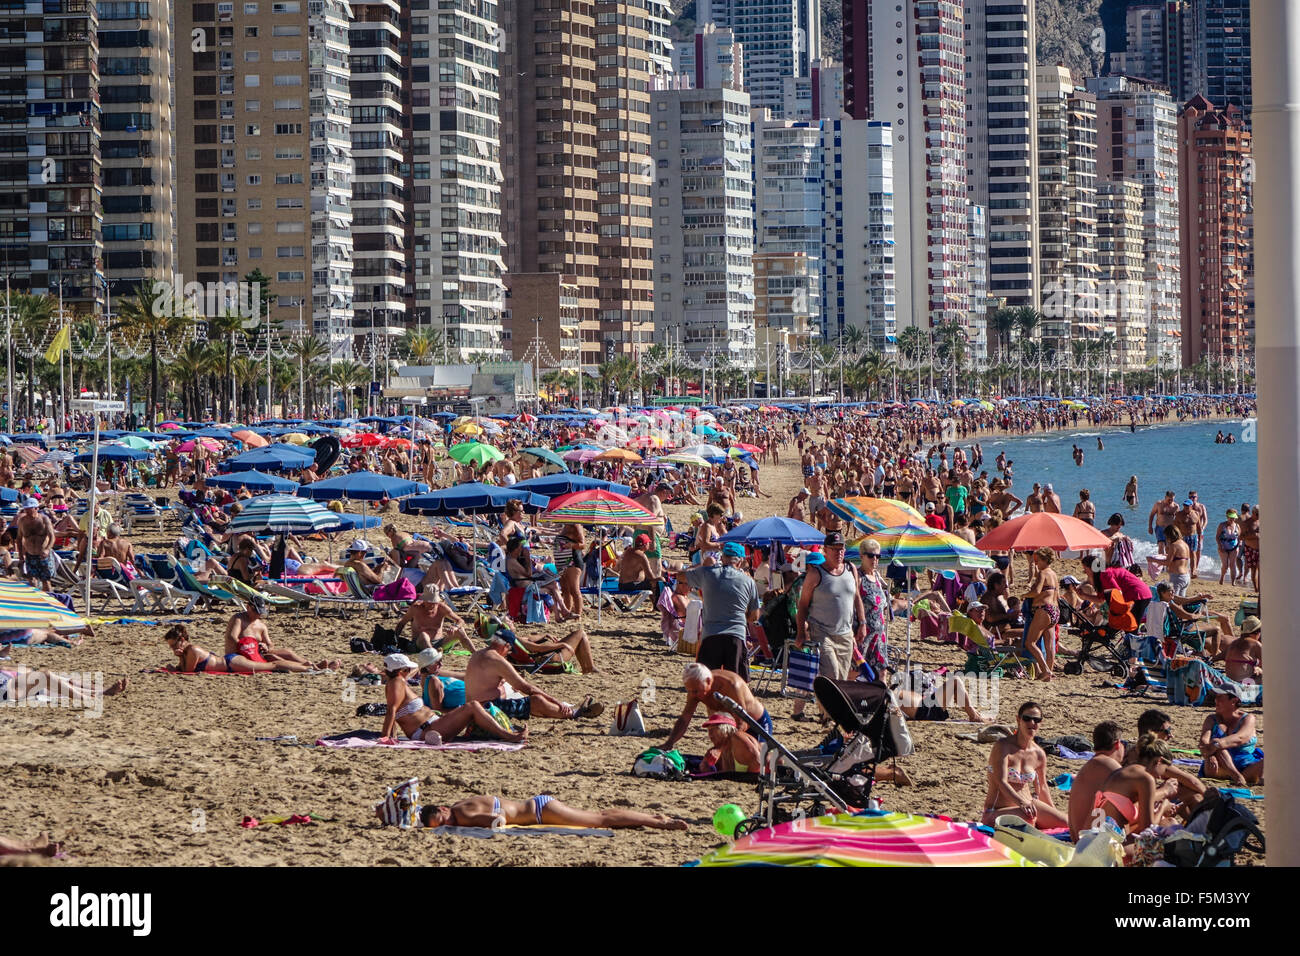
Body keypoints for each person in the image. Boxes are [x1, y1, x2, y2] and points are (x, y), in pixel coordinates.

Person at [792, 531, 865, 720]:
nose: (839, 552)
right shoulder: (816, 574)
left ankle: (827, 715)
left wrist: (862, 623)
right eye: (834, 549)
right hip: (822, 631)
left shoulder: (851, 569)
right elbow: (802, 605)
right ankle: (831, 715)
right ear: (825, 550)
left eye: (841, 549)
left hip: (846, 633)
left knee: (841, 677)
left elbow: (857, 597)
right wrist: (801, 632)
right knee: (831, 673)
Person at [377, 654, 527, 745]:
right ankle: (508, 736)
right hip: (426, 729)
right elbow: (392, 710)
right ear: (401, 670)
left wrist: (393, 735)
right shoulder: (397, 682)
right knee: (473, 706)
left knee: (475, 707)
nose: (410, 671)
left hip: (430, 725)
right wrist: (385, 737)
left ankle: (508, 731)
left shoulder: (397, 683)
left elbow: (395, 711)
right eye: (407, 669)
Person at [461, 630, 601, 722]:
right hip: (487, 709)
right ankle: (572, 713)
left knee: (527, 699)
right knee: (536, 701)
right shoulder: (497, 660)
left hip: (472, 708)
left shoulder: (477, 655)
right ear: (506, 646)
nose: (508, 654)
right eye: (509, 651)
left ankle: (568, 709)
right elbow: (527, 688)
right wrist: (557, 701)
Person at [681, 541, 759, 682]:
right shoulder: (749, 582)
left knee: (706, 684)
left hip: (711, 636)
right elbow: (754, 616)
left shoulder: (708, 574)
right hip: (735, 636)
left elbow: (681, 576)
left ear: (722, 558)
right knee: (736, 684)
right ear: (741, 561)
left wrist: (703, 568)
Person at [980, 701, 1067, 827]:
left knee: (1065, 822)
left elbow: (1042, 787)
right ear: (1018, 720)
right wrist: (1022, 803)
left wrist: (1053, 812)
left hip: (1027, 807)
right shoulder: (1003, 747)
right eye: (1027, 719)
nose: (1032, 723)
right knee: (1028, 818)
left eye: (1036, 720)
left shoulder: (1039, 754)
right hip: (996, 812)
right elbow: (1001, 781)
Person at [1082, 734, 1180, 836]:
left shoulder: (1126, 771)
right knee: (1170, 826)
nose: (1160, 777)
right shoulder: (1146, 778)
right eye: (1164, 770)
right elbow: (1147, 830)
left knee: (1167, 823)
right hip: (1103, 845)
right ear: (1159, 761)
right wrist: (1163, 807)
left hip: (1088, 839)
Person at [661, 661, 773, 751]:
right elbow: (685, 718)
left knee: (759, 758)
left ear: (708, 681)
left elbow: (742, 722)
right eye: (689, 691)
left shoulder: (730, 685)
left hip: (757, 723)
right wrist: (669, 743)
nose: (693, 695)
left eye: (696, 691)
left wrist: (721, 748)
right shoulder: (695, 688)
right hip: (731, 729)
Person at [417, 794, 686, 831]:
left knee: (600, 820)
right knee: (598, 814)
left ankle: (660, 823)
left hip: (541, 814)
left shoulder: (463, 817)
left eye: (444, 821)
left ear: (443, 809)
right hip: (539, 804)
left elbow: (497, 820)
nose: (448, 825)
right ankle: (653, 818)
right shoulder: (460, 804)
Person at [223, 597, 338, 671]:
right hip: (241, 655)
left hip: (257, 653)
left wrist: (266, 646)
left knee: (287, 652)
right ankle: (310, 667)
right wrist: (250, 647)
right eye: (256, 612)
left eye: (260, 613)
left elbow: (270, 644)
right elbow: (232, 637)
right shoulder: (239, 619)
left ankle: (313, 665)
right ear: (248, 607)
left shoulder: (261, 625)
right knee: (274, 657)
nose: (258, 615)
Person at [1067, 721, 1128, 841]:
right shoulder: (1110, 766)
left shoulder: (1092, 765)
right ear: (1117, 744)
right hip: (1091, 844)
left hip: (1079, 840)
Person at [1197, 689, 1264, 786]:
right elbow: (1203, 742)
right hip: (1218, 767)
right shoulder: (1212, 719)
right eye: (1216, 697)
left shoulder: (1248, 718)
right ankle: (1236, 775)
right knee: (1218, 746)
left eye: (1220, 697)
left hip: (1246, 766)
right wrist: (1210, 754)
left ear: (1234, 701)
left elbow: (1240, 738)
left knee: (1270, 760)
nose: (1216, 700)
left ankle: (1243, 777)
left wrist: (1215, 745)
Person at [393, 586, 475, 654]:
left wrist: (455, 627)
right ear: (424, 600)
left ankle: (475, 653)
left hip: (439, 643)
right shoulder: (415, 608)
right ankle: (434, 656)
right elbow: (401, 624)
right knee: (424, 635)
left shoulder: (441, 607)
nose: (432, 605)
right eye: (429, 602)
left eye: (434, 602)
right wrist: (394, 641)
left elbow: (460, 620)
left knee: (460, 631)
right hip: (419, 645)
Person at [1020, 547, 1059, 681]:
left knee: (1030, 643)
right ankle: (1048, 674)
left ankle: (1046, 671)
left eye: (1037, 561)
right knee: (1049, 646)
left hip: (1043, 609)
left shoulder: (1043, 573)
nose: (1036, 563)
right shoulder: (1054, 574)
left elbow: (1036, 592)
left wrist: (1024, 595)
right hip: (1054, 610)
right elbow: (1057, 595)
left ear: (1043, 560)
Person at [698, 712, 763, 775]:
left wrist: (744, 778)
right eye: (709, 731)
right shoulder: (720, 748)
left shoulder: (737, 738)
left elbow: (758, 762)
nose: (710, 735)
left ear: (725, 729)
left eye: (713, 730)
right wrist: (705, 763)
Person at [16, 498, 56, 592]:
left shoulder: (44, 519)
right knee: (32, 581)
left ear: (36, 508)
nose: (27, 511)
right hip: (30, 555)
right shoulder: (22, 521)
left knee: (46, 581)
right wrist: (21, 555)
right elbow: (19, 538)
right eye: (26, 509)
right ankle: (35, 602)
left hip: (43, 555)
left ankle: (48, 602)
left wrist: (47, 549)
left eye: (30, 509)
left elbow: (52, 536)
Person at [1214, 615, 1262, 686]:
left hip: (1230, 682)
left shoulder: (1233, 643)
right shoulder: (1255, 644)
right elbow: (1270, 664)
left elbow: (1216, 657)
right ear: (1257, 633)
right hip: (1243, 684)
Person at [1148, 525, 1191, 596]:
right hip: (1186, 576)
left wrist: (1152, 560)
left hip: (1177, 577)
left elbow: (1167, 563)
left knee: (1173, 600)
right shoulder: (1185, 544)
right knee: (1180, 601)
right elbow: (1180, 558)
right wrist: (1164, 556)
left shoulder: (1174, 545)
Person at [1215, 510, 1242, 586]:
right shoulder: (1222, 525)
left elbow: (1239, 537)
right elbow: (1217, 537)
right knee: (1225, 565)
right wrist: (1220, 546)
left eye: (1233, 518)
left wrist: (1240, 543)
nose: (1232, 519)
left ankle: (1233, 582)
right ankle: (1222, 577)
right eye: (1231, 518)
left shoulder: (1237, 526)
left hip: (1234, 547)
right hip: (1223, 547)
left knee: (1232, 564)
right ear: (1227, 517)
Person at [1148, 490, 1179, 556]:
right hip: (1160, 527)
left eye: (1172, 499)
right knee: (1161, 545)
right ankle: (1161, 565)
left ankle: (1167, 563)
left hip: (1170, 529)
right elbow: (1152, 515)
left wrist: (1178, 531)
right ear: (1165, 497)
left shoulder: (1176, 507)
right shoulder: (1159, 504)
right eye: (1169, 499)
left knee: (1168, 547)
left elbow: (1178, 519)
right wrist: (1150, 527)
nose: (1170, 501)